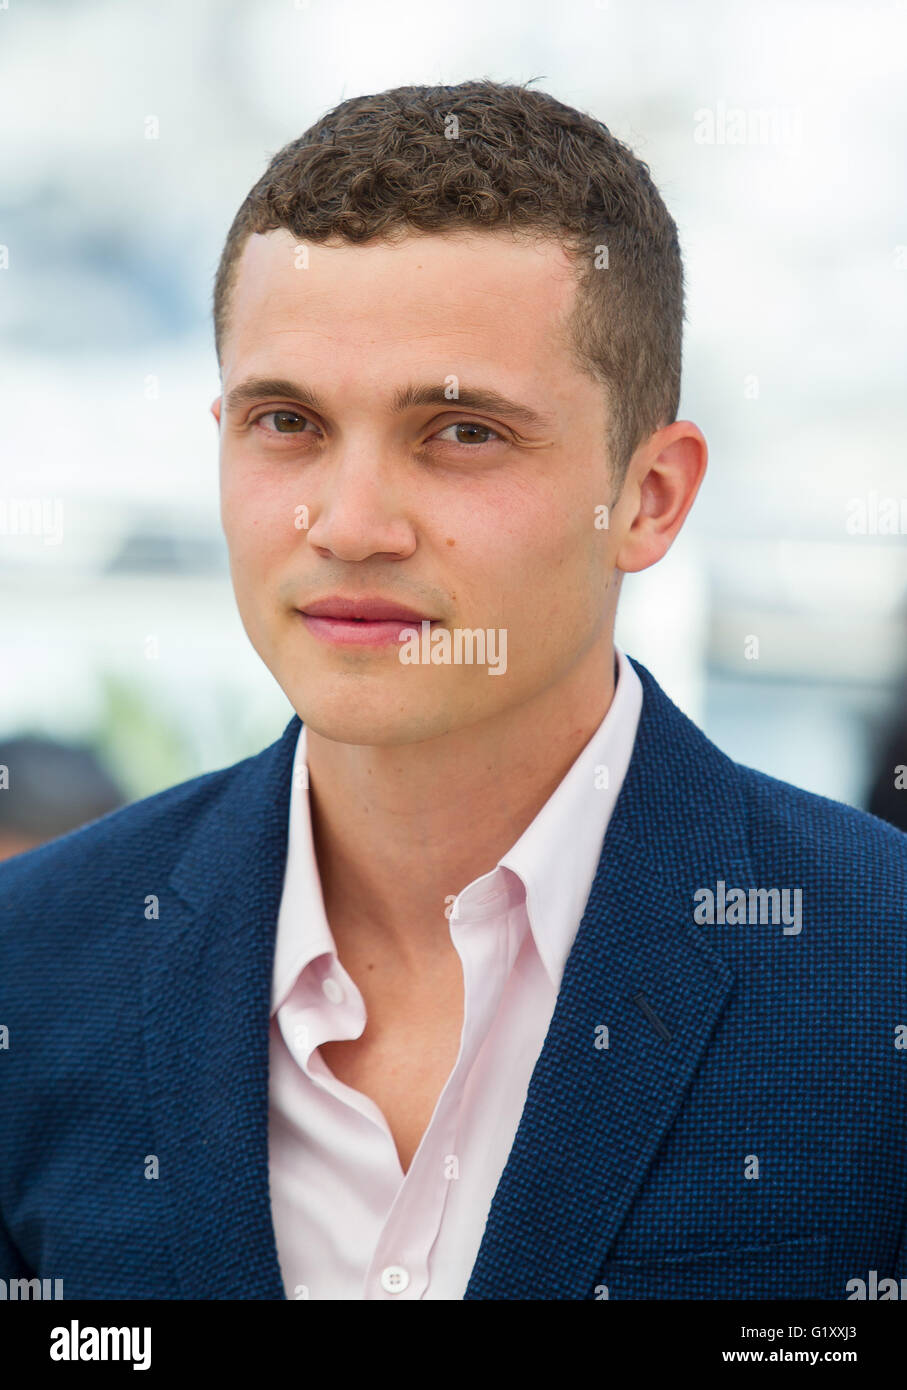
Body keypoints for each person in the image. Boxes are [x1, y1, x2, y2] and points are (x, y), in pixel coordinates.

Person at [1, 80, 904, 1302]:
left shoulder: (873, 968)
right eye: (287, 421)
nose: (352, 524)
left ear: (649, 496)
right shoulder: (35, 969)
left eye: (461, 430)